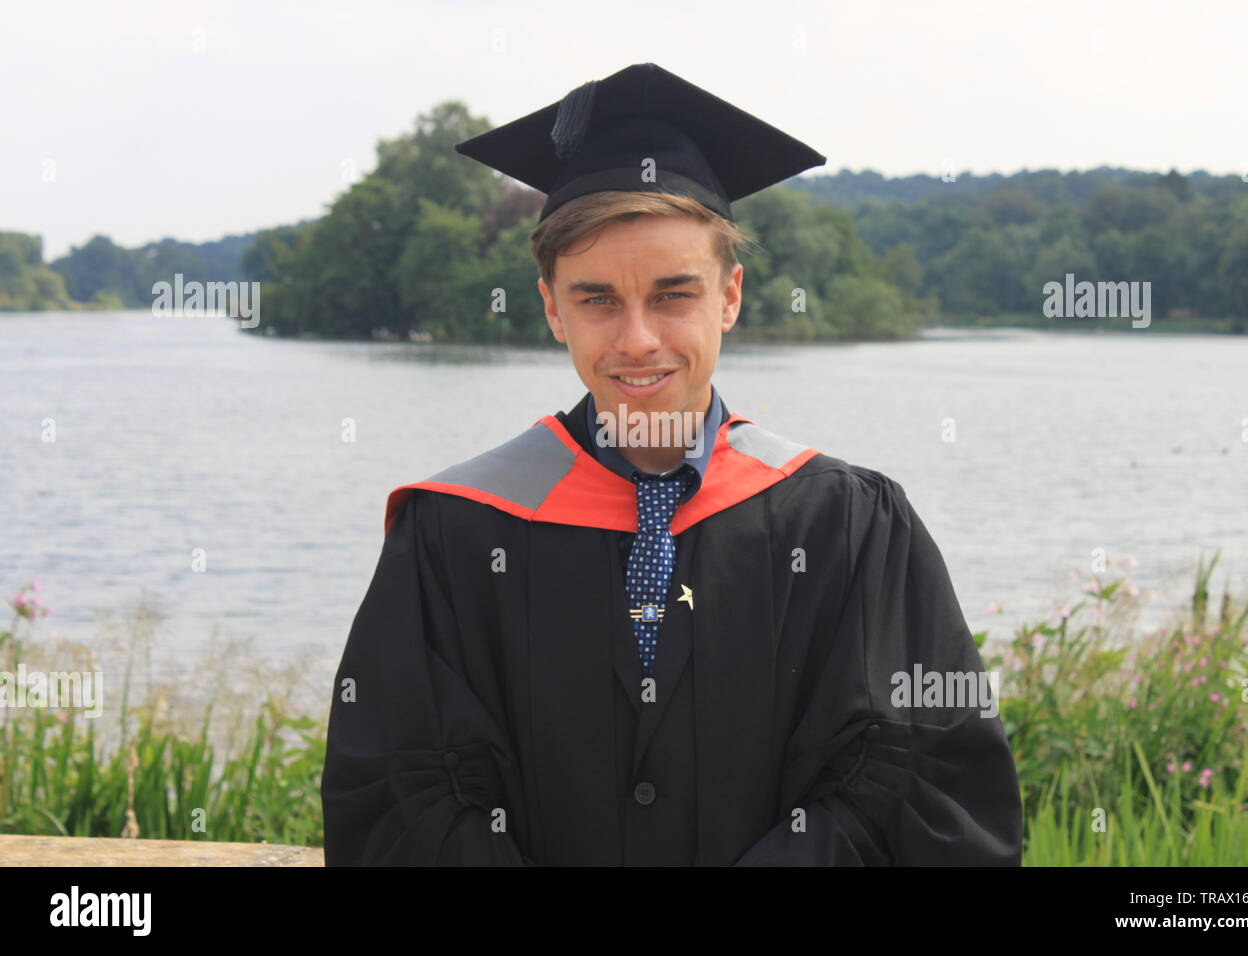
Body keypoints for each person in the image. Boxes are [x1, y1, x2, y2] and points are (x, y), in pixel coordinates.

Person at [321, 62, 1022, 866]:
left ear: (729, 297)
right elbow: (399, 796)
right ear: (551, 307)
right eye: (597, 299)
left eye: (673, 294)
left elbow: (926, 782)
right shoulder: (453, 531)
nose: (637, 339)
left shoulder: (849, 526)